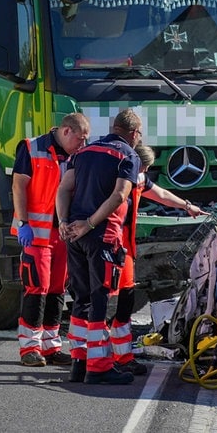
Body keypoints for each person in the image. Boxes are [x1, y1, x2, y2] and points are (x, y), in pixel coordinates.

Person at [56, 108, 143, 385]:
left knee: (80, 299)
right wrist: (91, 224)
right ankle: (99, 366)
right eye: (139, 136)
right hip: (101, 235)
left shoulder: (84, 152)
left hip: (74, 235)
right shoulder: (128, 155)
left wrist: (63, 222)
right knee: (100, 300)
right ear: (133, 134)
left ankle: (79, 363)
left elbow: (63, 188)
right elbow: (119, 195)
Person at [110, 144, 207, 375]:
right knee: (106, 303)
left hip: (124, 249)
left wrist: (187, 206)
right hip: (112, 245)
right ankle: (100, 358)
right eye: (146, 167)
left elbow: (161, 194)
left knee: (124, 301)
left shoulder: (137, 178)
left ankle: (120, 357)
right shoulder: (121, 179)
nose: (145, 173)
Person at [12, 112, 90, 367]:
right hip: (37, 233)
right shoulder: (31, 147)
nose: (82, 145)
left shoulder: (76, 155)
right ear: (67, 132)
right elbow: (18, 186)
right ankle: (29, 348)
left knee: (57, 289)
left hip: (63, 234)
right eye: (80, 139)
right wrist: (23, 223)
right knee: (37, 287)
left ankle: (50, 346)